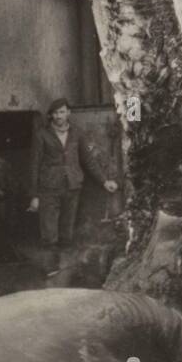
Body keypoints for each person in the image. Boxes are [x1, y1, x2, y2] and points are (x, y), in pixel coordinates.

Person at [27, 99, 118, 272]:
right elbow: (34, 165)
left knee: (67, 231)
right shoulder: (42, 134)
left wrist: (104, 181)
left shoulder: (77, 133)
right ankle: (51, 269)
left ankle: (66, 269)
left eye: (62, 112)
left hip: (72, 187)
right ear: (51, 115)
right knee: (49, 233)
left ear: (68, 113)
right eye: (55, 113)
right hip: (49, 189)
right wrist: (34, 195)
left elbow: (88, 161)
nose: (59, 116)